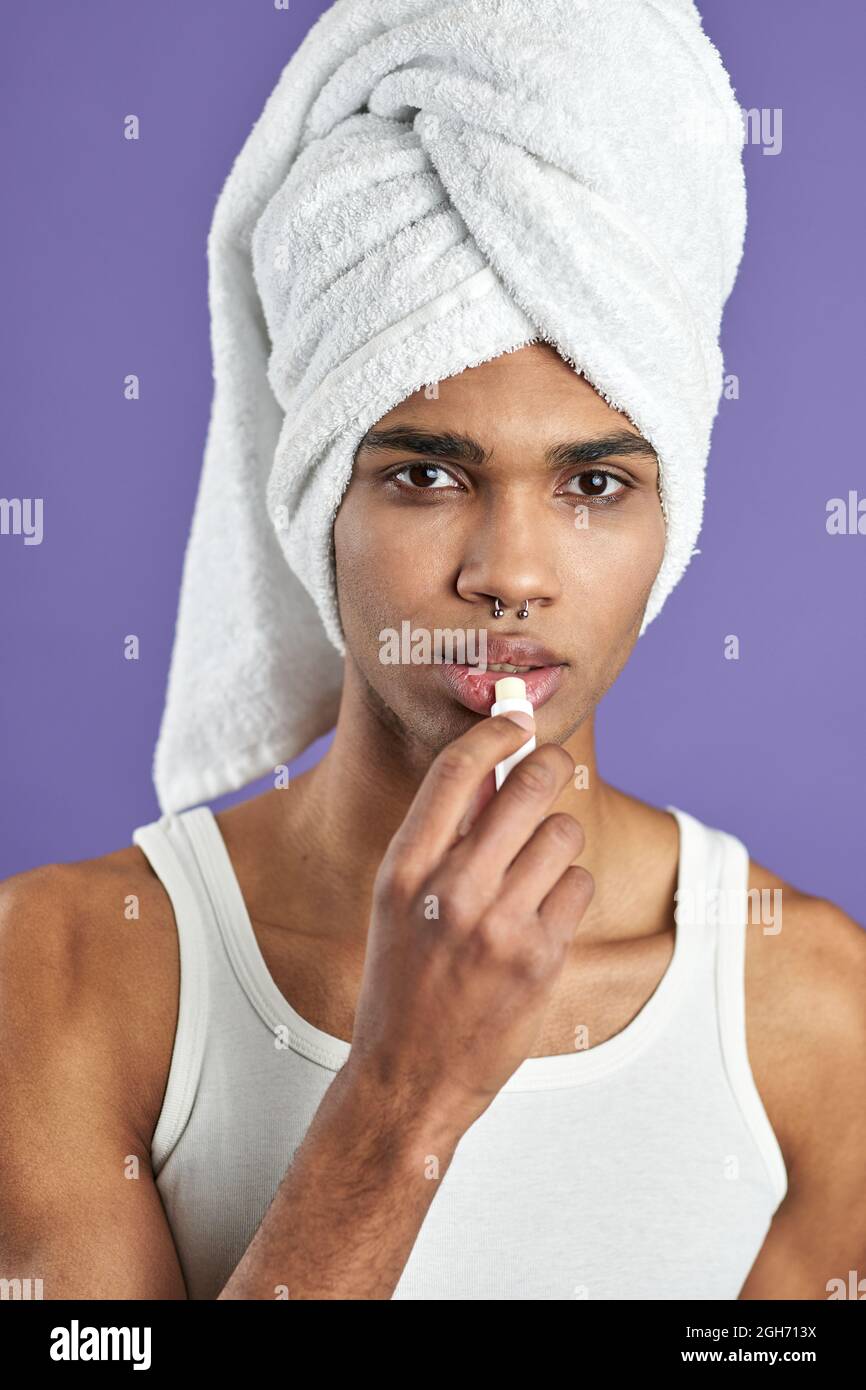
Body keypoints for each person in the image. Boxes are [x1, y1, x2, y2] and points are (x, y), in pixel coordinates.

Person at [2, 0, 864, 1302]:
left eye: (591, 484)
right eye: (423, 473)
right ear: (316, 503)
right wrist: (404, 1095)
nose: (508, 572)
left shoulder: (810, 1016)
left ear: (667, 519)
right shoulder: (66, 967)